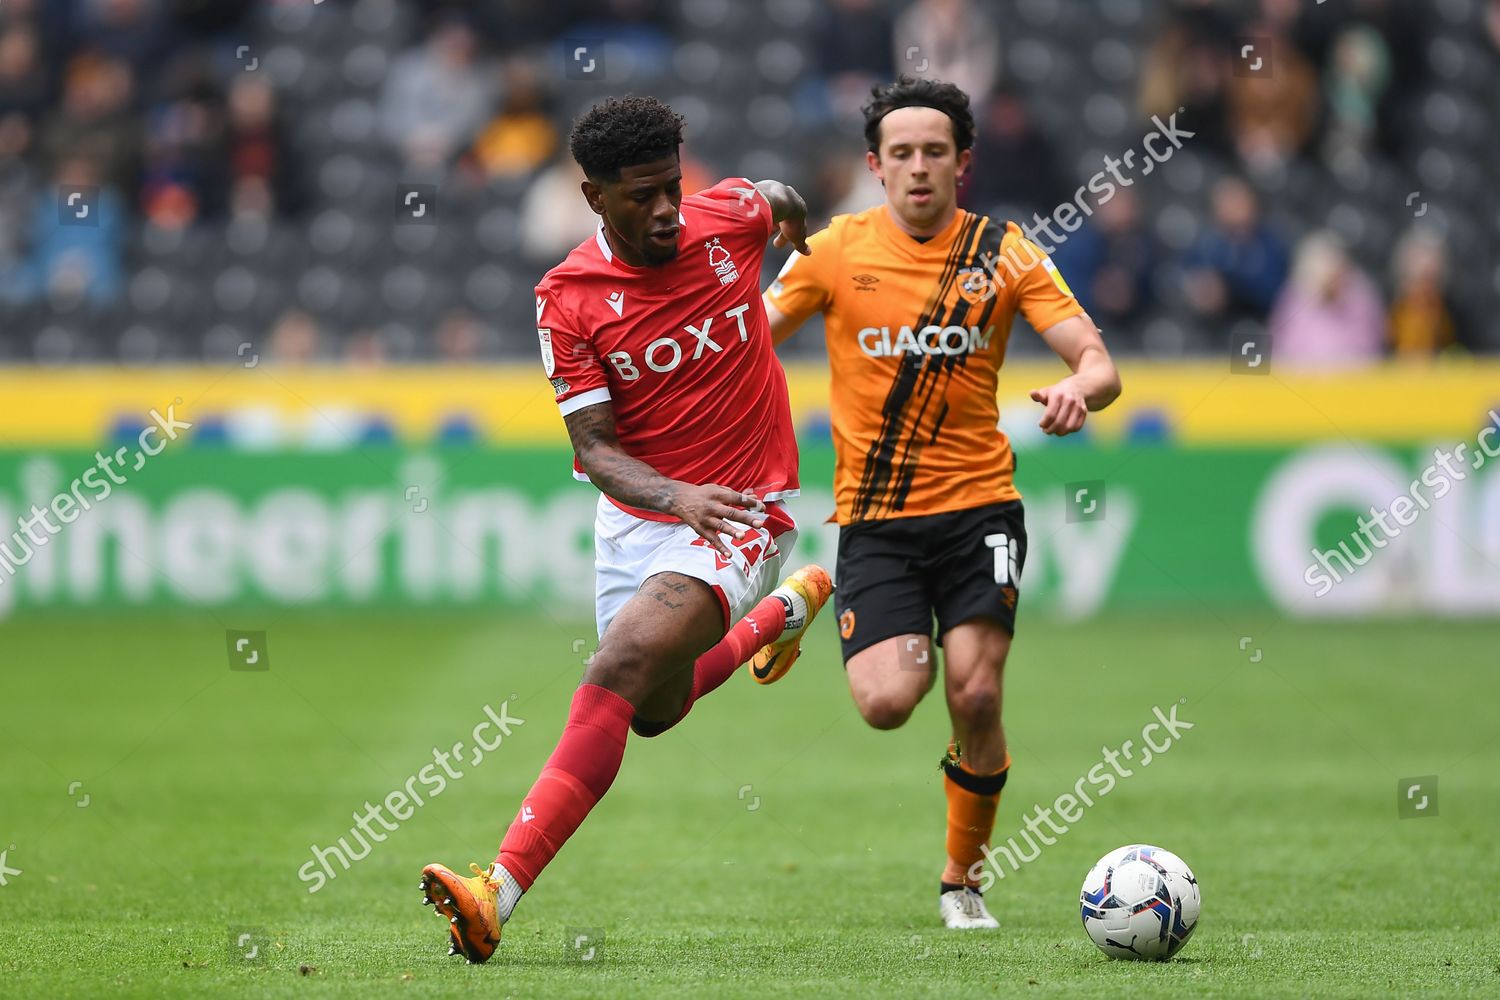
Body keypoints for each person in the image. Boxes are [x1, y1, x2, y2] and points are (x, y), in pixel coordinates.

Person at [419, 96, 834, 963]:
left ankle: (496, 891)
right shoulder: (567, 302)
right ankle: (786, 615)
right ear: (593, 195)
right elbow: (596, 451)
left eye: (671, 190)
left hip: (742, 508)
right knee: (651, 708)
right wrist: (673, 495)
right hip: (642, 516)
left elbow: (778, 195)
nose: (665, 213)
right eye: (641, 196)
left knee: (617, 668)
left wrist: (798, 237)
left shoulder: (732, 218)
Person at [762, 77, 1121, 930]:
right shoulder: (832, 251)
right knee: (890, 702)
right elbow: (745, 340)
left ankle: (962, 881)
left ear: (964, 162)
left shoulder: (1005, 251)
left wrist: (1082, 388)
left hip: (979, 510)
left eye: (934, 153)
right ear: (874, 166)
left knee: (979, 695)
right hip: (878, 522)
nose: (918, 168)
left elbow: (1099, 363)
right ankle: (815, 596)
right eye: (901, 154)